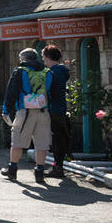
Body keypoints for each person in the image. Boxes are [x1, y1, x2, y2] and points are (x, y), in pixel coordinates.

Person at [0, 47, 53, 184]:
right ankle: (39, 172)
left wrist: (6, 110)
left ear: (23, 59)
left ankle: (12, 169)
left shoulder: (20, 71)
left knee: (18, 140)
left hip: (25, 110)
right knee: (42, 143)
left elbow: (11, 92)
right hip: (43, 110)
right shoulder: (47, 72)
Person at [42, 45, 72, 179]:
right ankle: (58, 165)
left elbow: (49, 91)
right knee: (59, 137)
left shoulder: (52, 72)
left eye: (43, 56)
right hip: (61, 107)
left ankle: (58, 168)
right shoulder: (62, 71)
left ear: (48, 57)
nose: (43, 59)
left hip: (52, 108)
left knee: (56, 139)